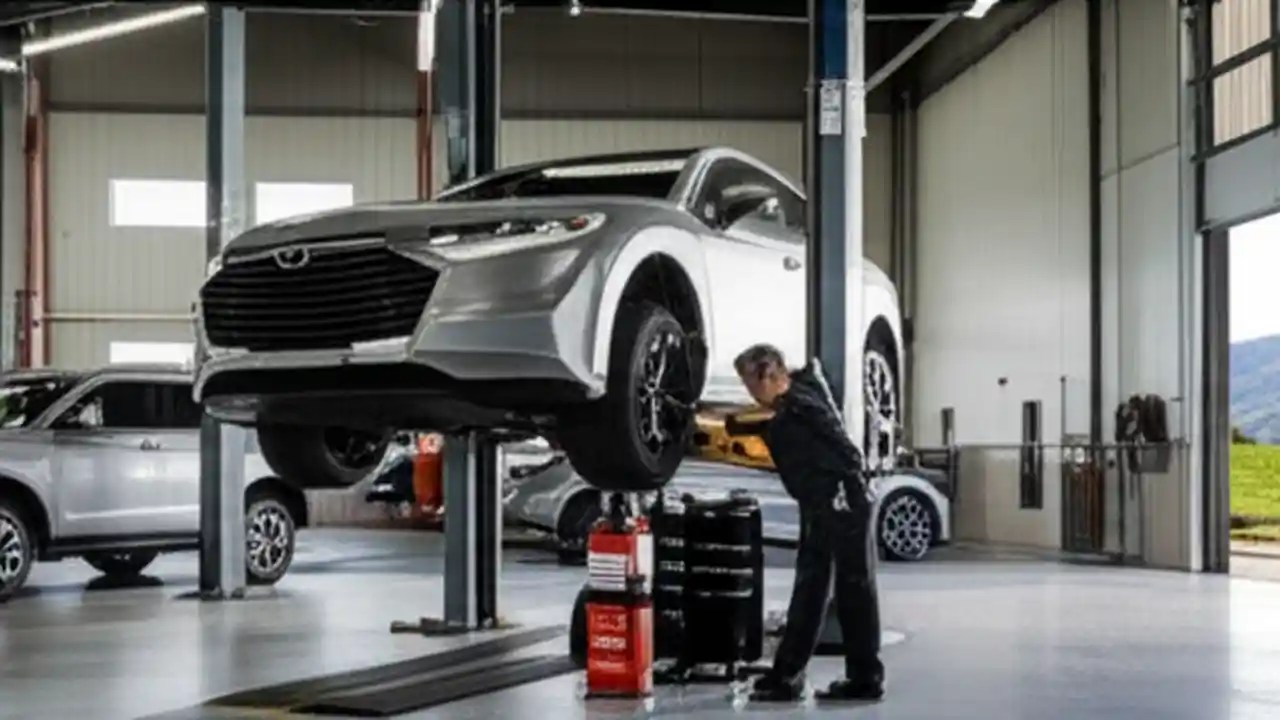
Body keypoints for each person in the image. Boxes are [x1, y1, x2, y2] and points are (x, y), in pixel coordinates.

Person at [726, 343, 884, 702]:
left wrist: (845, 489)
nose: (749, 392)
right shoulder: (796, 399)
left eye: (750, 383)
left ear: (769, 374)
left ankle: (865, 679)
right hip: (822, 503)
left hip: (841, 500)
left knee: (853, 589)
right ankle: (788, 675)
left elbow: (847, 452)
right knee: (811, 588)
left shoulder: (801, 405)